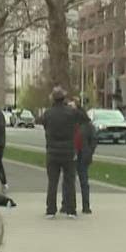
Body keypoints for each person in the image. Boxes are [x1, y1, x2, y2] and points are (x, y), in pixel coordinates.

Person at [36, 86, 86, 220]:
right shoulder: (71, 112)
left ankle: (50, 210)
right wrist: (77, 106)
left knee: (52, 182)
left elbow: (40, 121)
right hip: (69, 151)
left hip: (52, 151)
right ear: (64, 99)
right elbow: (85, 119)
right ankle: (71, 209)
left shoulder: (48, 113)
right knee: (70, 181)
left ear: (53, 99)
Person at [73, 99, 98, 215]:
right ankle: (67, 204)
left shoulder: (87, 126)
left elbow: (93, 140)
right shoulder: (71, 124)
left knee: (83, 181)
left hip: (83, 156)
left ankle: (86, 205)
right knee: (69, 181)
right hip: (72, 155)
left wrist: (89, 152)